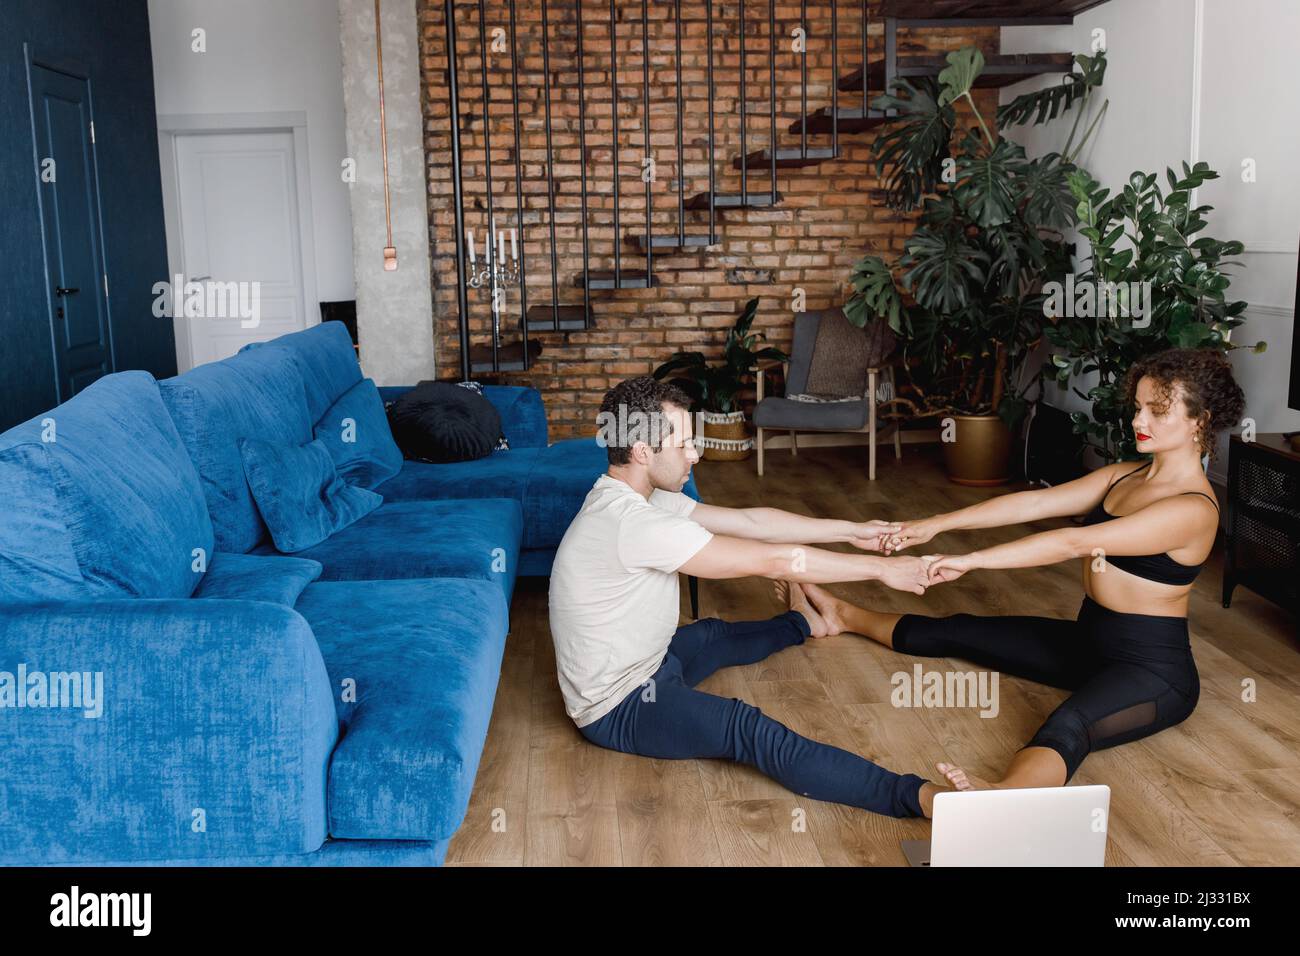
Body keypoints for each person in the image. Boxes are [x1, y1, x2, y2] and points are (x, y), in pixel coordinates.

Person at [794, 347, 1246, 791]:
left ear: (1200, 420)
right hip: (1087, 645)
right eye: (1138, 406)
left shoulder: (1193, 510)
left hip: (1152, 672)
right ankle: (841, 616)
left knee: (1071, 723)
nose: (1137, 421)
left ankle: (999, 795)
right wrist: (932, 526)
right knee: (959, 630)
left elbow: (1072, 542)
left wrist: (969, 561)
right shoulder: (1124, 476)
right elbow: (1034, 502)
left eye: (1157, 411)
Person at [549, 375, 951, 818]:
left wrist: (855, 532)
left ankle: (807, 623)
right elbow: (777, 560)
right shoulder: (632, 523)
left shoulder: (643, 498)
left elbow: (754, 522)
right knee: (749, 729)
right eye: (683, 444)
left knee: (711, 635)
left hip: (653, 662)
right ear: (643, 452)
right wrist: (884, 569)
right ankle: (923, 798)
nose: (695, 454)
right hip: (619, 706)